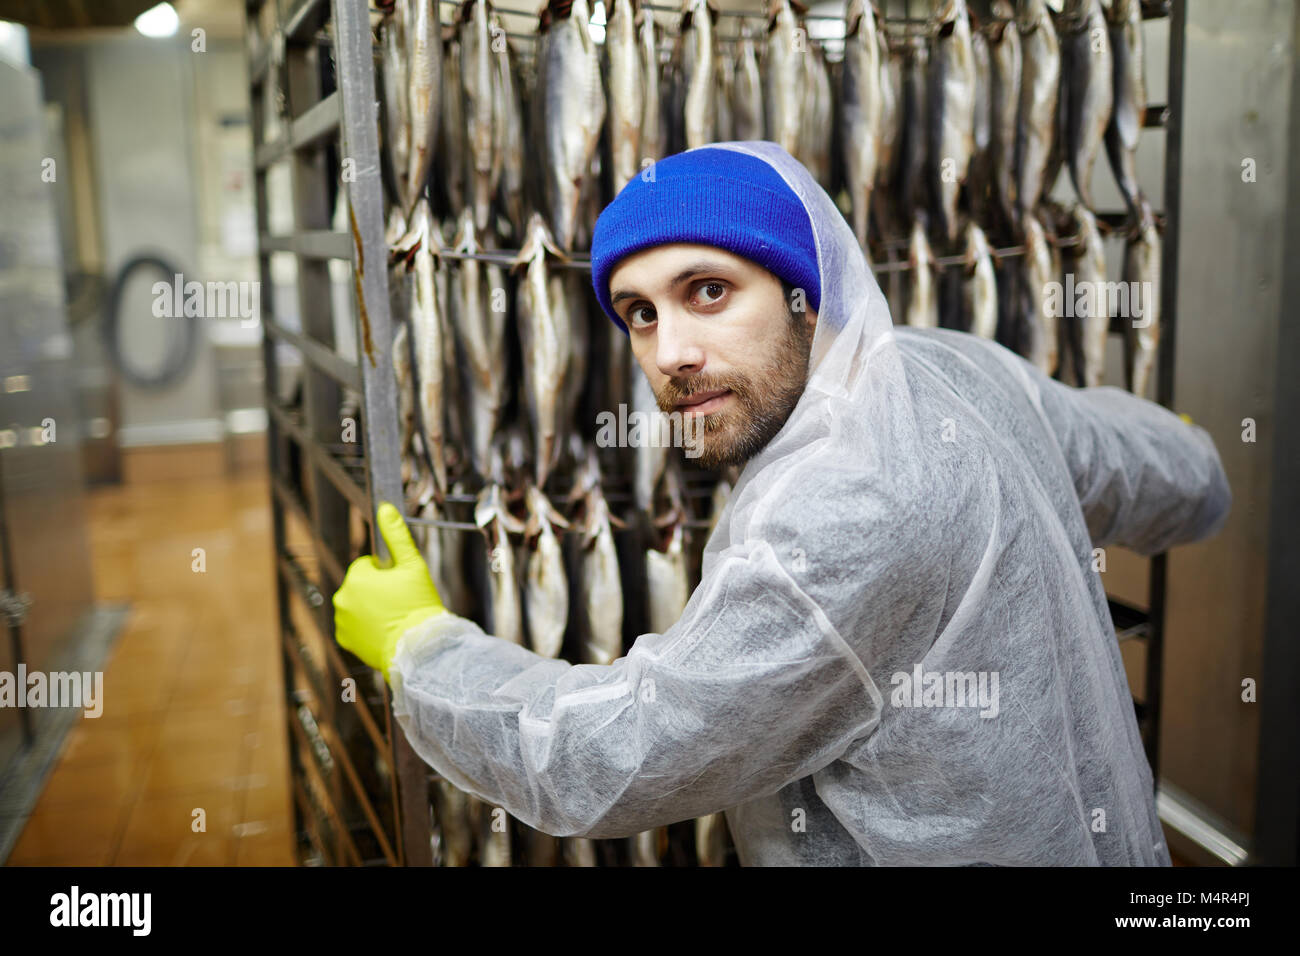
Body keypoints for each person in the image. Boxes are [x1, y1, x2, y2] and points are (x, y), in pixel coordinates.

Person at [333, 142, 1230, 865]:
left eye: (709, 291)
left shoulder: (834, 517)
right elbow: (1146, 471)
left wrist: (421, 650)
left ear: (805, 292)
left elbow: (615, 757)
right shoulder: (948, 364)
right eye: (640, 313)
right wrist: (1187, 445)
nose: (671, 352)